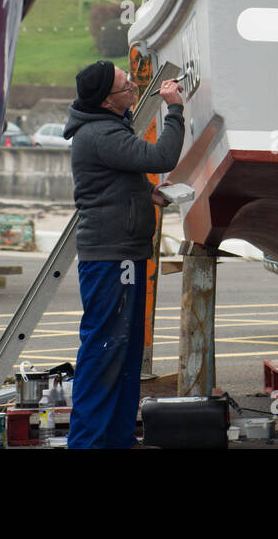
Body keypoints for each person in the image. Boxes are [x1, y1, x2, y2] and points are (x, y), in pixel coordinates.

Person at [62, 60, 185, 448]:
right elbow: (162, 157)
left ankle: (117, 438)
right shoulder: (101, 133)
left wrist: (143, 194)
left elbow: (112, 181)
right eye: (124, 85)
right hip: (111, 258)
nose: (133, 86)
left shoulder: (110, 127)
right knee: (105, 350)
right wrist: (175, 109)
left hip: (124, 253)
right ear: (106, 100)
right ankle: (87, 442)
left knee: (126, 351)